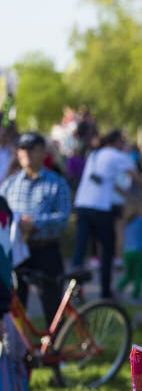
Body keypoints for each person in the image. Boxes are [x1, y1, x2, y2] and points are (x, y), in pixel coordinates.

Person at [0, 132, 71, 326]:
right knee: (14, 306)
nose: (25, 153)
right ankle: (19, 352)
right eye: (22, 148)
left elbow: (63, 218)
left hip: (45, 249)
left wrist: (35, 223)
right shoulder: (10, 184)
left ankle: (56, 352)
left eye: (31, 148)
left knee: (52, 304)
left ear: (42, 151)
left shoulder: (56, 182)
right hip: (16, 251)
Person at [72, 129, 142, 299]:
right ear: (116, 141)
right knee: (107, 249)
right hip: (100, 207)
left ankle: (76, 292)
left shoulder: (94, 155)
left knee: (80, 251)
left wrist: (129, 197)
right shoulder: (116, 155)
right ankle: (105, 291)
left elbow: (106, 182)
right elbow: (137, 178)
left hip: (82, 204)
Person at [115, 198, 142, 302]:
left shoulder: (125, 223)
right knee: (139, 275)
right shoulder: (141, 221)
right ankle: (135, 296)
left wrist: (119, 256)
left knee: (129, 274)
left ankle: (118, 288)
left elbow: (119, 240)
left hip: (127, 252)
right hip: (137, 252)